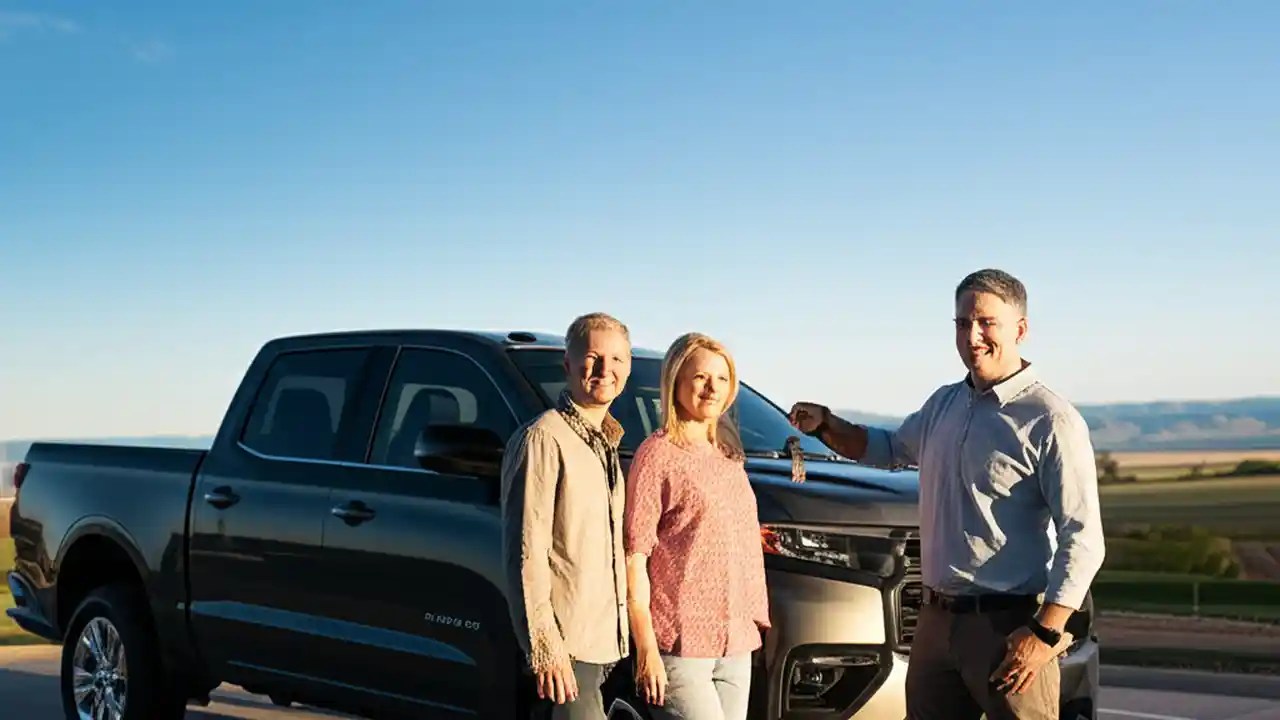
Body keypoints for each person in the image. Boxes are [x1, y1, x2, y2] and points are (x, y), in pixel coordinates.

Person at [788, 269, 1105, 720]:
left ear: (1021, 329)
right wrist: (826, 426)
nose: (972, 336)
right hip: (934, 623)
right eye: (961, 324)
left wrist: (1045, 634)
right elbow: (889, 448)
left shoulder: (1051, 420)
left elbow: (1084, 539)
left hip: (1009, 626)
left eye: (986, 323)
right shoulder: (944, 404)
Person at [624, 332, 770, 720]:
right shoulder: (657, 454)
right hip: (681, 644)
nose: (712, 389)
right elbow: (634, 555)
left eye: (722, 379)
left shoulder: (728, 455)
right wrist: (646, 648)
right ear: (677, 381)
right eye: (701, 378)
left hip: (736, 643)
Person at [500, 312, 633, 719]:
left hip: (605, 644)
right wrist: (546, 647)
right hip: (567, 647)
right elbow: (525, 551)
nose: (604, 370)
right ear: (568, 364)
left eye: (616, 360)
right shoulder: (544, 438)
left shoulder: (605, 442)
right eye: (592, 357)